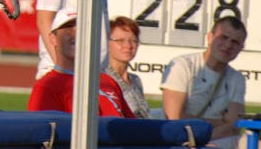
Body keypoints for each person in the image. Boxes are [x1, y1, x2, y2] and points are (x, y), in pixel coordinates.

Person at [27, 9, 135, 117]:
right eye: (68, 28)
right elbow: (42, 130)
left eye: (82, 28)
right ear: (53, 38)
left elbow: (132, 126)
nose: (76, 34)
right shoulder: (46, 87)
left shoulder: (107, 81)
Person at [160, 16, 248, 149]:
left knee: (254, 143)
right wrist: (220, 122)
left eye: (235, 42)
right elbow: (175, 119)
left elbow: (234, 126)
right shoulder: (183, 65)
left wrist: (204, 138)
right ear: (210, 38)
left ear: (241, 48)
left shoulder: (237, 78)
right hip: (180, 139)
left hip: (214, 138)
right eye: (223, 37)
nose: (228, 45)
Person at [105, 16, 150, 118]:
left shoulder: (135, 80)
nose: (128, 45)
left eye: (133, 40)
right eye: (120, 40)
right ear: (107, 43)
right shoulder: (102, 78)